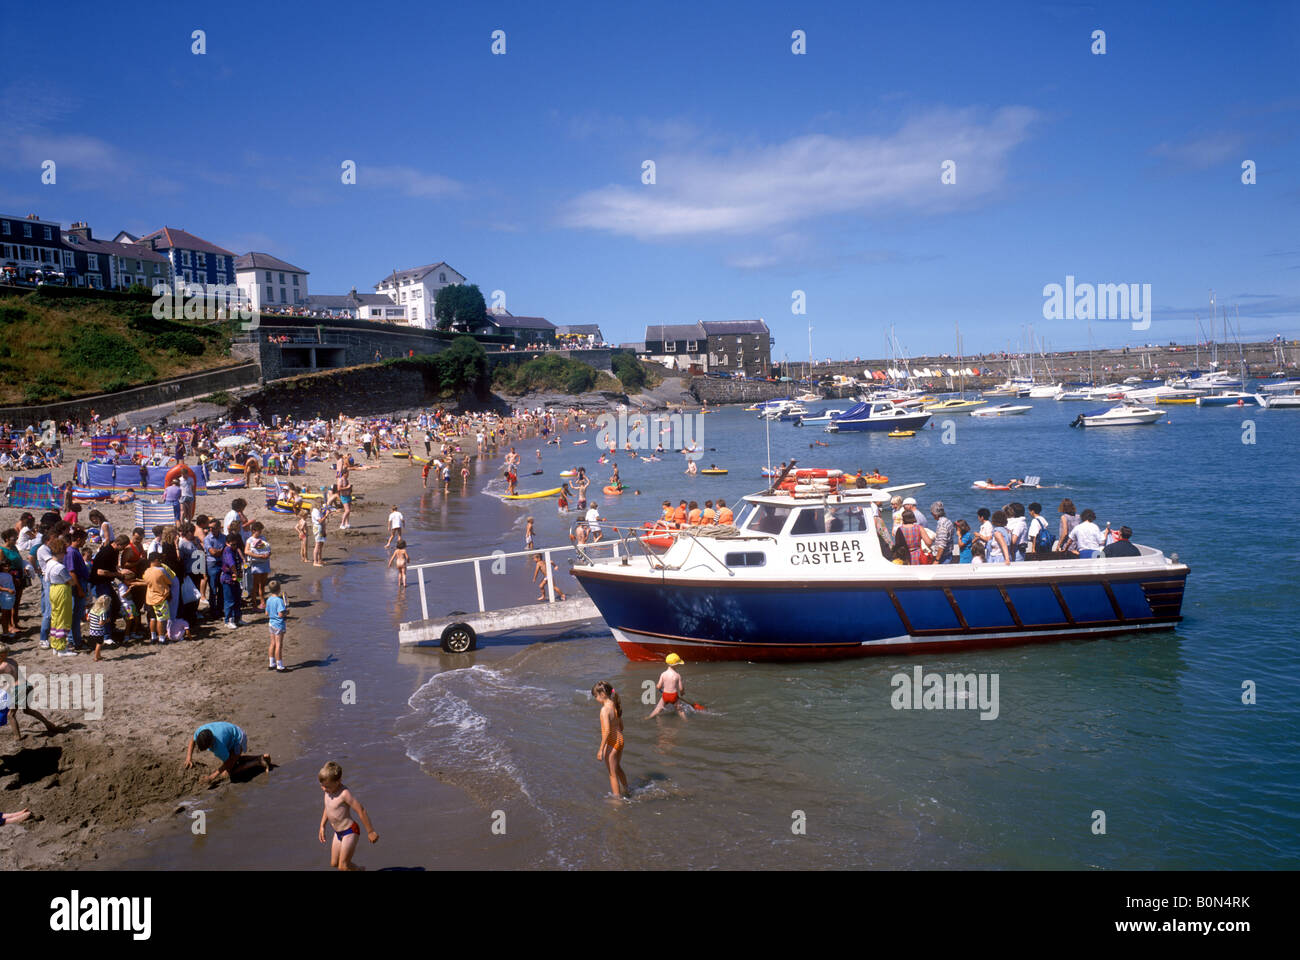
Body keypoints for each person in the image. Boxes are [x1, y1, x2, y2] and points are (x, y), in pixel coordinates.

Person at [317, 761, 379, 871]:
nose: (323, 789)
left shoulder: (344, 794)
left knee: (343, 866)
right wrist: (322, 825)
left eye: (326, 786)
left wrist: (370, 831)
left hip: (350, 831)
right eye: (322, 785)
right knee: (334, 863)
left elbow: (361, 810)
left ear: (338, 781)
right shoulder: (328, 791)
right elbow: (327, 807)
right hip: (338, 833)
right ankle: (359, 870)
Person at [0, 644, 64, 738]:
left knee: (11, 715)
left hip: (18, 689)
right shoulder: (12, 661)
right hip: (27, 686)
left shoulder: (2, 667)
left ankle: (17, 737)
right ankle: (49, 725)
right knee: (27, 710)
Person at [185, 722, 271, 784]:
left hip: (238, 738)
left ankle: (257, 762)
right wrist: (189, 758)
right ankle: (260, 757)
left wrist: (212, 776)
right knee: (234, 760)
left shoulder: (219, 746)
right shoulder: (200, 732)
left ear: (211, 743)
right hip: (230, 734)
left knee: (230, 772)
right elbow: (192, 740)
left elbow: (228, 762)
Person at [591, 681, 628, 799]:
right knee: (617, 768)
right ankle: (626, 789)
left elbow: (606, 731)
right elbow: (621, 726)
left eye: (595, 696)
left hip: (612, 742)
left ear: (602, 694)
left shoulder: (604, 710)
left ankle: (617, 800)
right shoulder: (614, 704)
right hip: (620, 740)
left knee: (612, 774)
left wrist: (601, 749)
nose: (596, 699)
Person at [142, 554, 174, 644]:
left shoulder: (146, 572)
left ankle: (153, 637)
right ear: (155, 560)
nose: (161, 562)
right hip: (160, 598)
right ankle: (162, 638)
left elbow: (145, 582)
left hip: (149, 598)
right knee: (161, 619)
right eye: (159, 560)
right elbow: (169, 581)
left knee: (152, 618)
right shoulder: (160, 572)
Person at [648, 653, 688, 719]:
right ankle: (686, 721)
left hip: (665, 695)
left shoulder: (663, 674)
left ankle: (648, 718)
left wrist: (657, 686)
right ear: (675, 665)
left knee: (657, 710)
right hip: (674, 696)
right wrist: (682, 693)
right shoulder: (677, 675)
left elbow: (659, 686)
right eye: (678, 664)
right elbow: (681, 688)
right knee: (680, 711)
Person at [244, 522, 272, 610]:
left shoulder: (263, 538)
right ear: (253, 530)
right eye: (258, 531)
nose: (260, 533)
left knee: (263, 584)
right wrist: (259, 556)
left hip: (264, 563)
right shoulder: (249, 540)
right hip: (256, 564)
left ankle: (262, 601)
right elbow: (246, 551)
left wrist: (268, 554)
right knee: (255, 584)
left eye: (260, 531)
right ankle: (254, 603)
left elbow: (267, 549)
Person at [265, 580, 288, 672]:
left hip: (271, 623)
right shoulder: (279, 601)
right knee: (279, 645)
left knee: (272, 643)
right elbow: (281, 615)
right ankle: (279, 665)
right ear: (279, 589)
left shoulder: (269, 599)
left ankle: (271, 663)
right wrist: (286, 612)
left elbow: (266, 613)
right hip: (278, 624)